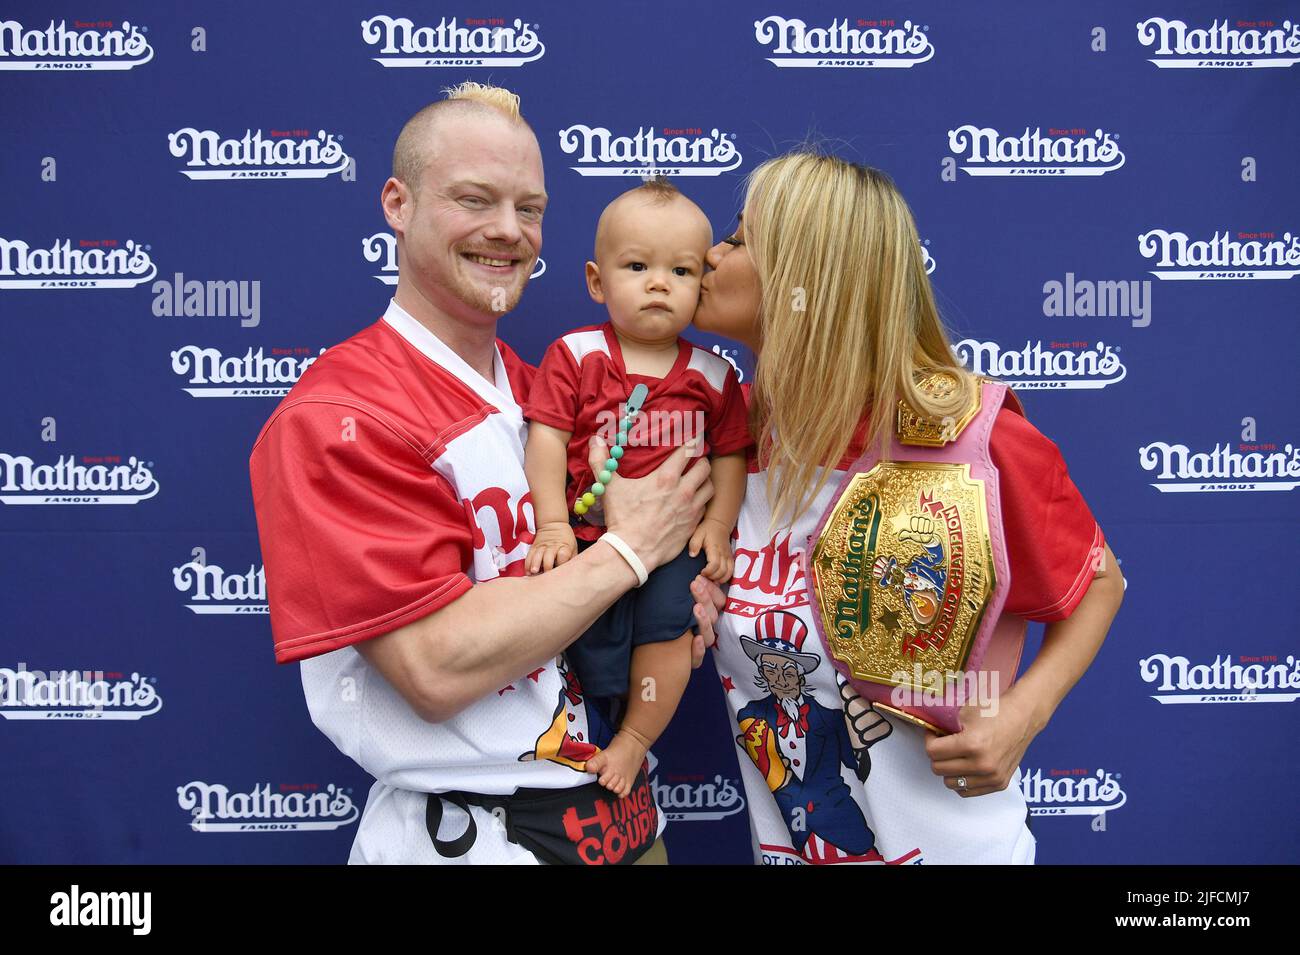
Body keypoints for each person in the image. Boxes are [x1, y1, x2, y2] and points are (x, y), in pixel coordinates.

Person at [248, 82, 721, 865]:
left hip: (626, 818)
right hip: (475, 835)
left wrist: (670, 594)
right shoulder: (341, 411)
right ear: (397, 205)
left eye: (529, 208)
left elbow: (596, 597)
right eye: (475, 199)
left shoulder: (549, 393)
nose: (508, 231)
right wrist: (630, 550)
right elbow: (434, 667)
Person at [691, 149, 1125, 865]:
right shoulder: (726, 443)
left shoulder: (969, 439)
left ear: (807, 274)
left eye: (739, 239)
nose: (710, 252)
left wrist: (1023, 714)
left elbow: (1101, 580)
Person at [522, 179, 752, 798]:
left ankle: (636, 740)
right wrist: (551, 524)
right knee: (584, 645)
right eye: (637, 266)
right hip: (589, 540)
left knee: (670, 632)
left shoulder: (713, 373)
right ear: (597, 282)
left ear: (701, 285)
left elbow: (731, 457)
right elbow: (544, 441)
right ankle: (588, 731)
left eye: (680, 270)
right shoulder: (576, 355)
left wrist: (718, 527)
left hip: (675, 548)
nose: (659, 283)